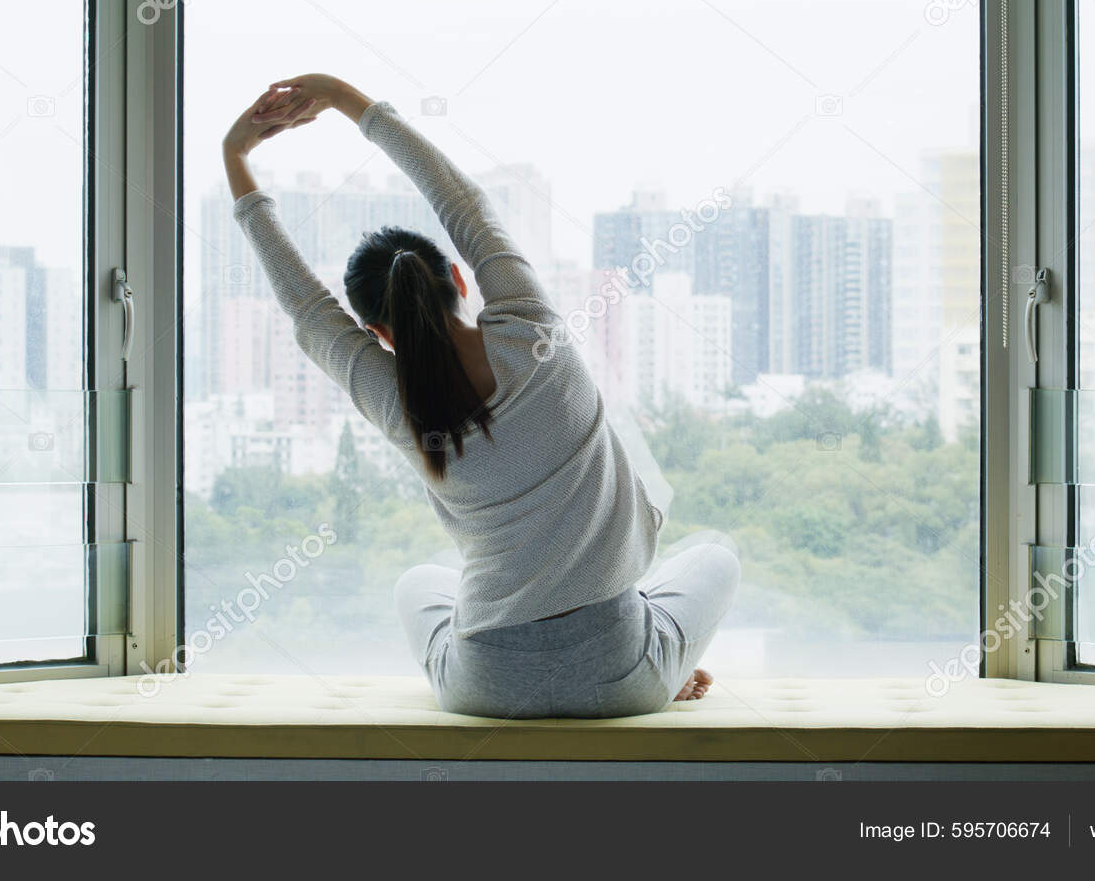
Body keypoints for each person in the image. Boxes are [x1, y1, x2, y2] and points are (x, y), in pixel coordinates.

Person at [221, 73, 739, 718]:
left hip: (484, 687)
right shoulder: (531, 332)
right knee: (714, 555)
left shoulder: (395, 403)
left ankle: (652, 655)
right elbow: (463, 204)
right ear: (459, 280)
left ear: (377, 333)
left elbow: (306, 308)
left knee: (419, 584)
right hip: (620, 677)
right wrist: (342, 97)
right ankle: (664, 659)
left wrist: (235, 155)